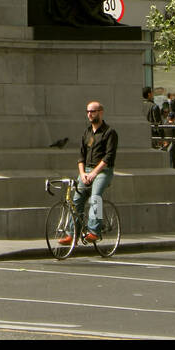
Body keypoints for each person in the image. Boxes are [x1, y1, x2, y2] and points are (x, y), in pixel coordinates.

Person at [64, 100, 117, 244]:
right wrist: (82, 174)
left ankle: (94, 230)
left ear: (100, 112)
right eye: (88, 111)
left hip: (103, 171)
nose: (89, 114)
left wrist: (94, 173)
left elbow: (109, 156)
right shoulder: (87, 132)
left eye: (92, 111)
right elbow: (81, 156)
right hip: (86, 170)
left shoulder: (109, 132)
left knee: (96, 196)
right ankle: (72, 233)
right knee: (76, 200)